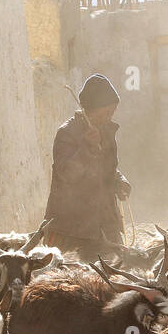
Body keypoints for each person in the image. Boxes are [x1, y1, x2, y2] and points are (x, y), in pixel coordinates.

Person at [43, 73, 131, 256]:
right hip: (73, 230)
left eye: (113, 110)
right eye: (106, 110)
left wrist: (120, 181)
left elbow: (108, 168)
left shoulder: (106, 131)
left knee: (113, 277)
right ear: (91, 108)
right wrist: (88, 148)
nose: (111, 114)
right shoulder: (67, 133)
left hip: (105, 225)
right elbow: (67, 174)